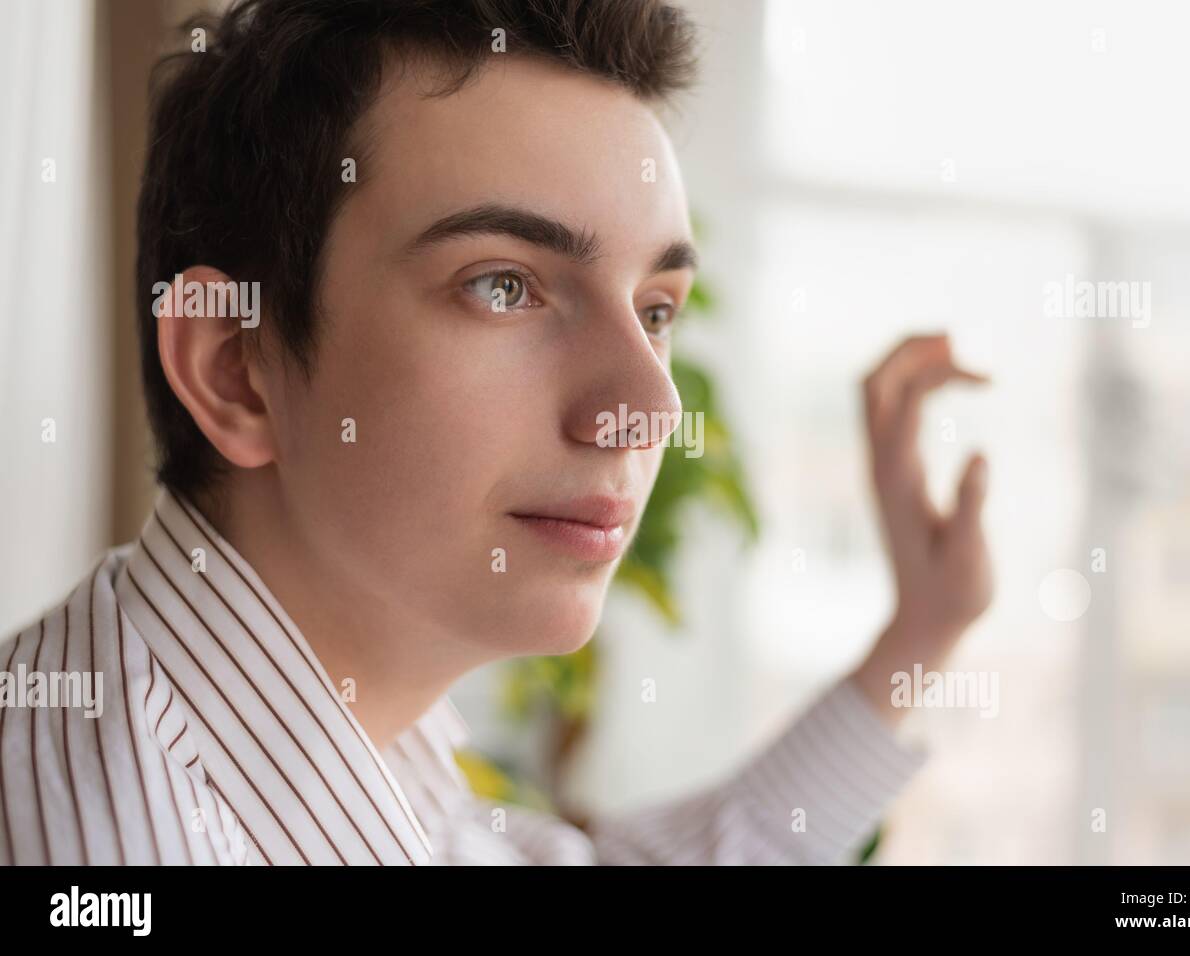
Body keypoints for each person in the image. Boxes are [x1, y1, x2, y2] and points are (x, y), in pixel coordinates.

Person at [0, 0, 991, 865]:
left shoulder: (324, 743)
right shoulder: (115, 837)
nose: (648, 406)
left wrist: (925, 624)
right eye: (503, 284)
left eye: (653, 307)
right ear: (236, 369)